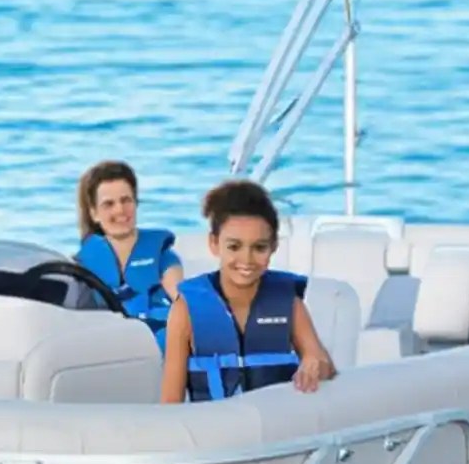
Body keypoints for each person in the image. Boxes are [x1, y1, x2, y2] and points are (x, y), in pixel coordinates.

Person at [161, 180, 336, 403]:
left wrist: (315, 363)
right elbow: (170, 403)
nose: (247, 259)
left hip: (278, 429)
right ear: (214, 243)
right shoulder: (185, 309)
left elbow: (321, 362)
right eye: (234, 247)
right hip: (215, 433)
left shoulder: (289, 303)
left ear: (274, 246)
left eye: (259, 247)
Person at [74, 160, 184, 351]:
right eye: (109, 204)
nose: (120, 210)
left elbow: (182, 300)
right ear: (94, 214)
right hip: (110, 348)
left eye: (126, 200)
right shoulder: (82, 264)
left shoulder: (163, 256)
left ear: (136, 203)